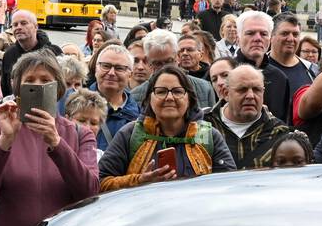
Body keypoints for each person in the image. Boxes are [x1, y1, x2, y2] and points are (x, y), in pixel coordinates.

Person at [0, 52, 98, 226]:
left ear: (58, 88)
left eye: (46, 81)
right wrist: (6, 141)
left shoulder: (79, 134)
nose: (38, 86)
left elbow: (89, 192)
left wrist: (56, 143)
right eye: (30, 81)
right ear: (17, 87)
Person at [99, 64, 235, 190]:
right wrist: (139, 181)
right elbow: (100, 182)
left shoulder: (208, 135)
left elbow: (229, 184)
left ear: (190, 99)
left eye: (177, 91)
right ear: (148, 99)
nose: (169, 97)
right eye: (161, 91)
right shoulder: (130, 134)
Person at [205, 64, 292, 169]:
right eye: (242, 89)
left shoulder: (279, 132)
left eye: (256, 89)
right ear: (226, 93)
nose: (250, 96)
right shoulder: (204, 125)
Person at [129, 29, 216, 110]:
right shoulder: (136, 96)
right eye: (158, 63)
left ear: (177, 57)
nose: (164, 68)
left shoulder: (204, 88)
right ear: (149, 63)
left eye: (168, 62)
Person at [87, 43, 141, 153]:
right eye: (106, 66)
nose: (111, 73)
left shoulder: (140, 115)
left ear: (130, 74)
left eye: (119, 68)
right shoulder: (75, 105)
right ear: (96, 69)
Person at [0, 10, 61, 97]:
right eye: (15, 25)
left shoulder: (54, 52)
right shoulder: (9, 54)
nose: (18, 27)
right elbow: (5, 87)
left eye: (24, 23)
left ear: (36, 27)